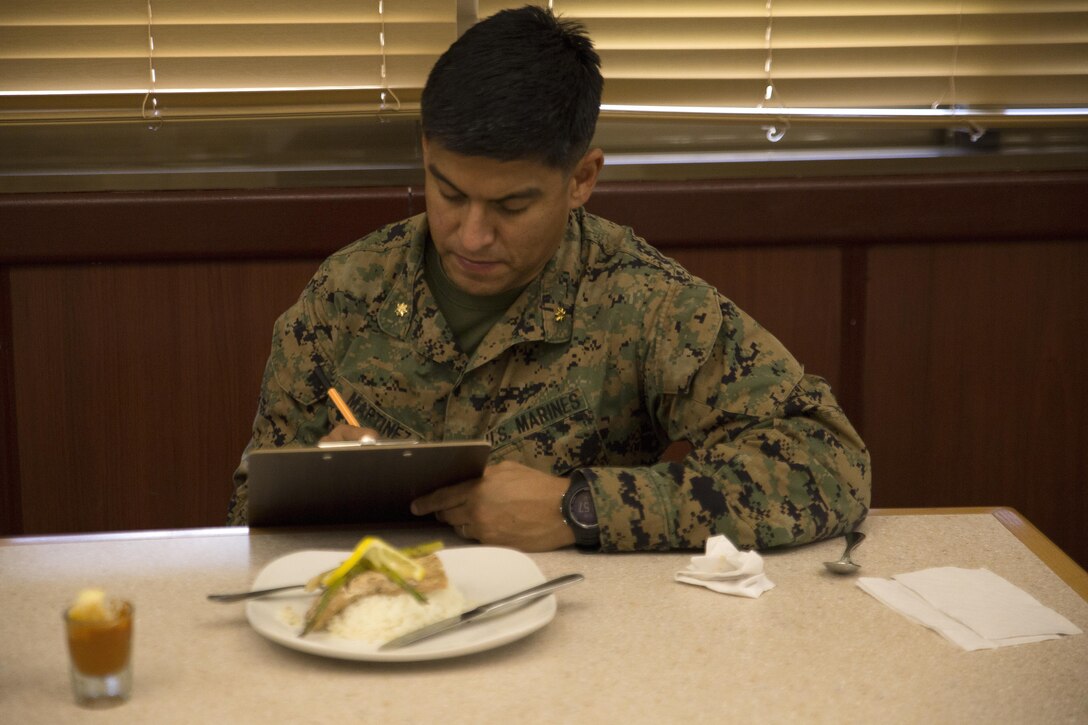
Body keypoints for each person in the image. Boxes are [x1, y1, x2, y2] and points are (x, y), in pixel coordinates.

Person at [227, 5, 871, 552]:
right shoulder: (349, 292)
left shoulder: (641, 302)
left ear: (581, 180)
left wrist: (581, 508)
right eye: (448, 193)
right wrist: (329, 487)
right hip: (382, 629)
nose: (472, 235)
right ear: (425, 152)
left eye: (511, 207)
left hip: (571, 646)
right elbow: (247, 512)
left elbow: (831, 463)